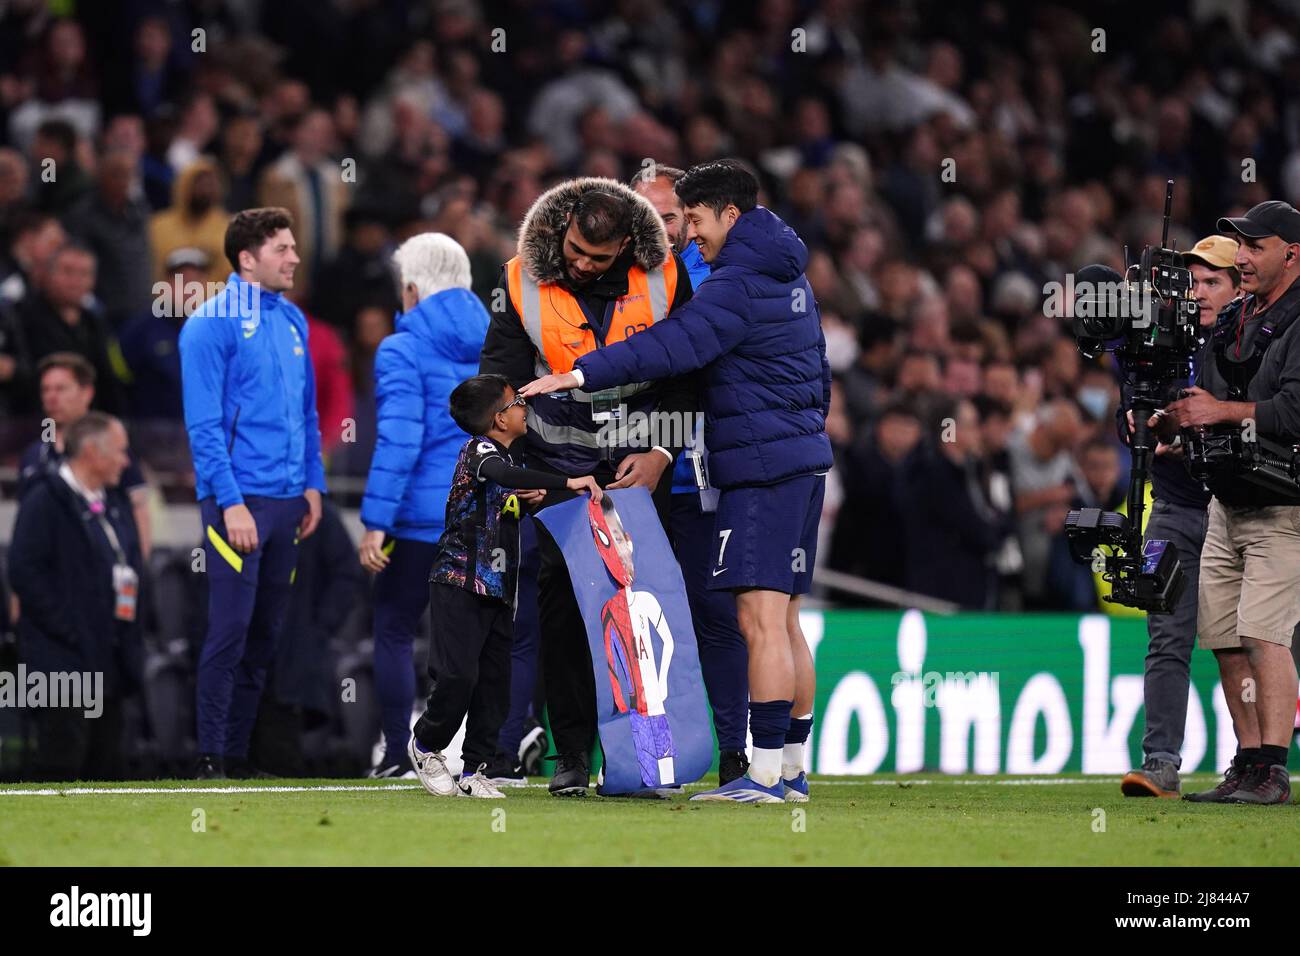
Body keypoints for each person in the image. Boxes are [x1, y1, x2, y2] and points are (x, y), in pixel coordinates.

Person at [521, 160, 833, 803]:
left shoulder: (737, 283)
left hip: (761, 470)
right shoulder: (788, 272)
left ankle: (766, 776)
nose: (690, 236)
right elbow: (821, 376)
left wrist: (579, 374)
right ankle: (792, 769)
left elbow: (675, 344)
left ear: (730, 215)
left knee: (758, 621)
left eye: (693, 219)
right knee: (787, 621)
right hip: (800, 461)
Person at [479, 176, 694, 797]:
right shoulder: (520, 276)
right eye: (574, 249)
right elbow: (500, 380)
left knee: (641, 614)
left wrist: (659, 452)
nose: (579, 263)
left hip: (636, 467)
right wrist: (526, 473)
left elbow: (684, 374)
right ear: (564, 224)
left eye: (597, 258)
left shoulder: (665, 277)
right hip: (556, 470)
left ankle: (645, 758)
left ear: (627, 244)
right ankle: (572, 755)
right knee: (567, 611)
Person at [1150, 201, 1300, 805]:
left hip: (1282, 507)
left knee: (1265, 638)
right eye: (1239, 245)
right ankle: (1246, 763)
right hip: (1226, 504)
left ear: (1291, 254)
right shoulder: (1236, 318)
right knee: (1226, 641)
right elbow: (1209, 395)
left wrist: (1219, 412)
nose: (1241, 257)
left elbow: (1292, 411)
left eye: (1254, 247)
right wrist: (1179, 426)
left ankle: (1273, 770)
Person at [180, 207, 326, 779]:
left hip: (289, 502)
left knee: (266, 634)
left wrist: (313, 485)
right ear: (247, 258)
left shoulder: (293, 322)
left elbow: (307, 414)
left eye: (293, 247)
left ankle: (237, 754)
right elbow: (204, 427)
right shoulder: (209, 325)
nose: (294, 257)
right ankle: (210, 756)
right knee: (229, 631)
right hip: (238, 503)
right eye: (282, 249)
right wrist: (231, 500)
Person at [407, 374, 601, 799]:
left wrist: (529, 502)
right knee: (458, 675)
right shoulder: (481, 451)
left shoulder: (512, 468)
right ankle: (426, 744)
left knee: (495, 683)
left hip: (500, 589)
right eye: (516, 402)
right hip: (459, 582)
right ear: (498, 419)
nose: (524, 408)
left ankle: (476, 768)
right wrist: (568, 481)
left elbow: (505, 498)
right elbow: (498, 476)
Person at [630, 163, 750, 784]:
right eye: (646, 215)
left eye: (670, 216)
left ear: (687, 219)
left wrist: (665, 449)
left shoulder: (714, 280)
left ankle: (734, 751)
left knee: (712, 613)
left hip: (697, 478)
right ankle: (644, 757)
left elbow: (700, 380)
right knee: (637, 620)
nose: (659, 227)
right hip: (627, 476)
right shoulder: (613, 282)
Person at [358, 233, 490, 777]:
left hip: (416, 521)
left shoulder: (402, 348)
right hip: (481, 515)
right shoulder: (494, 341)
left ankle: (399, 753)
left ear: (410, 289)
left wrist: (375, 521)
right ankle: (487, 754)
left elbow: (399, 440)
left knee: (393, 627)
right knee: (481, 641)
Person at [1119, 234, 1239, 798]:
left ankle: (1257, 762)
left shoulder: (1249, 342)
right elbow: (1135, 395)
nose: (1199, 292)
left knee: (1247, 641)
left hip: (1234, 511)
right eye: (1192, 282)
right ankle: (1161, 761)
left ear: (1239, 287)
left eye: (1213, 281)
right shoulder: (1162, 342)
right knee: (1167, 637)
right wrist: (1136, 418)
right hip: (1171, 507)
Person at [8, 412, 144, 781]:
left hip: (108, 655)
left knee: (106, 764)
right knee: (61, 761)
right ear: (91, 452)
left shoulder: (114, 503)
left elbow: (130, 564)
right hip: (60, 659)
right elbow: (23, 570)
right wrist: (69, 627)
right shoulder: (45, 499)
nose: (125, 461)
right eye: (119, 451)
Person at [18, 352, 152, 556]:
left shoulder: (114, 449)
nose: (51, 397)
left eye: (61, 388)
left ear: (87, 392)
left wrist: (139, 571)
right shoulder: (34, 456)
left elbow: (139, 509)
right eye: (45, 389)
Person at [17, 242, 124, 414]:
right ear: (48, 273)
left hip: (89, 426)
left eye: (84, 274)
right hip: (36, 425)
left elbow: (110, 381)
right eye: (67, 272)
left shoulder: (97, 323)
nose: (75, 281)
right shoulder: (20, 319)